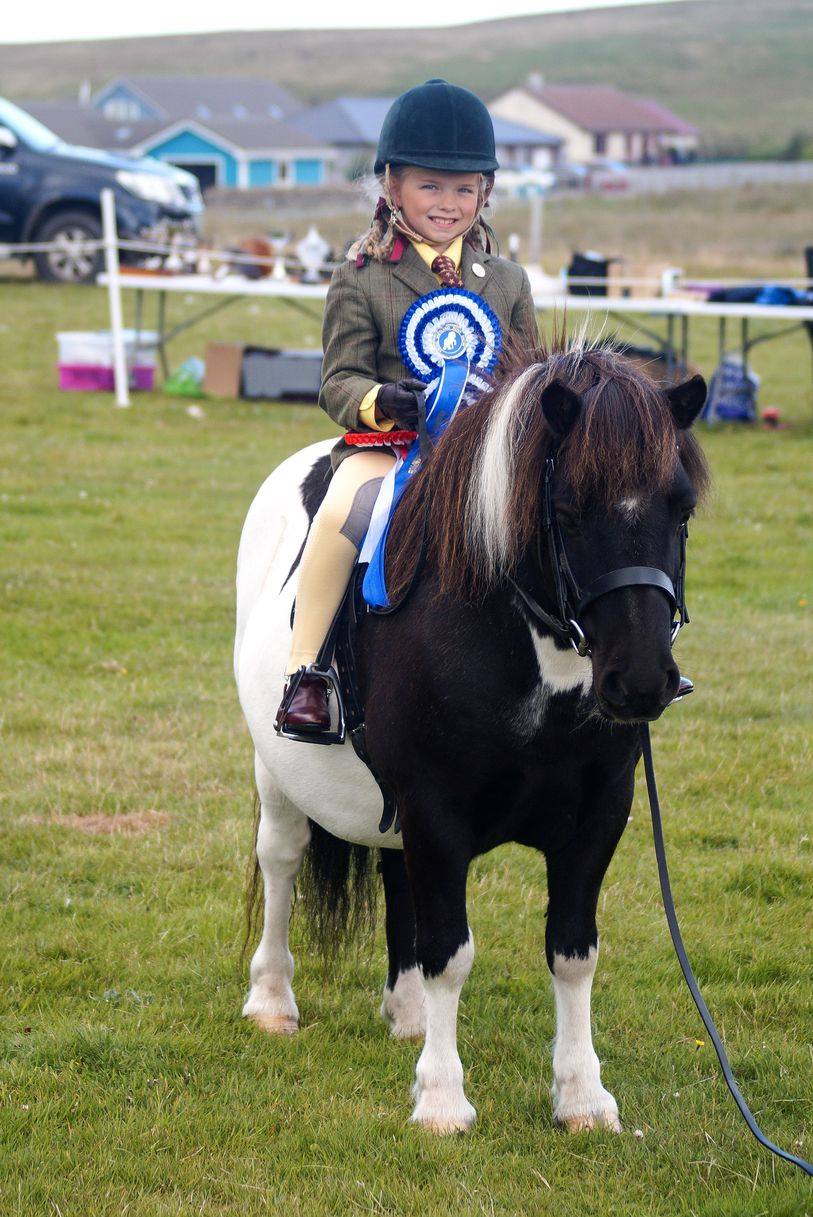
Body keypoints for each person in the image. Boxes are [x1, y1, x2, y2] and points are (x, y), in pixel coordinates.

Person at [276, 78, 540, 734]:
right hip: (390, 450)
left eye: (462, 188)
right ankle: (306, 673)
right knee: (343, 509)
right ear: (391, 187)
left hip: (484, 453)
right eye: (429, 186)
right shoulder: (360, 278)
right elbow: (336, 382)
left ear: (484, 193)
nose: (446, 204)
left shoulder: (506, 282)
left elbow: (531, 374)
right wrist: (381, 400)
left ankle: (596, 656)